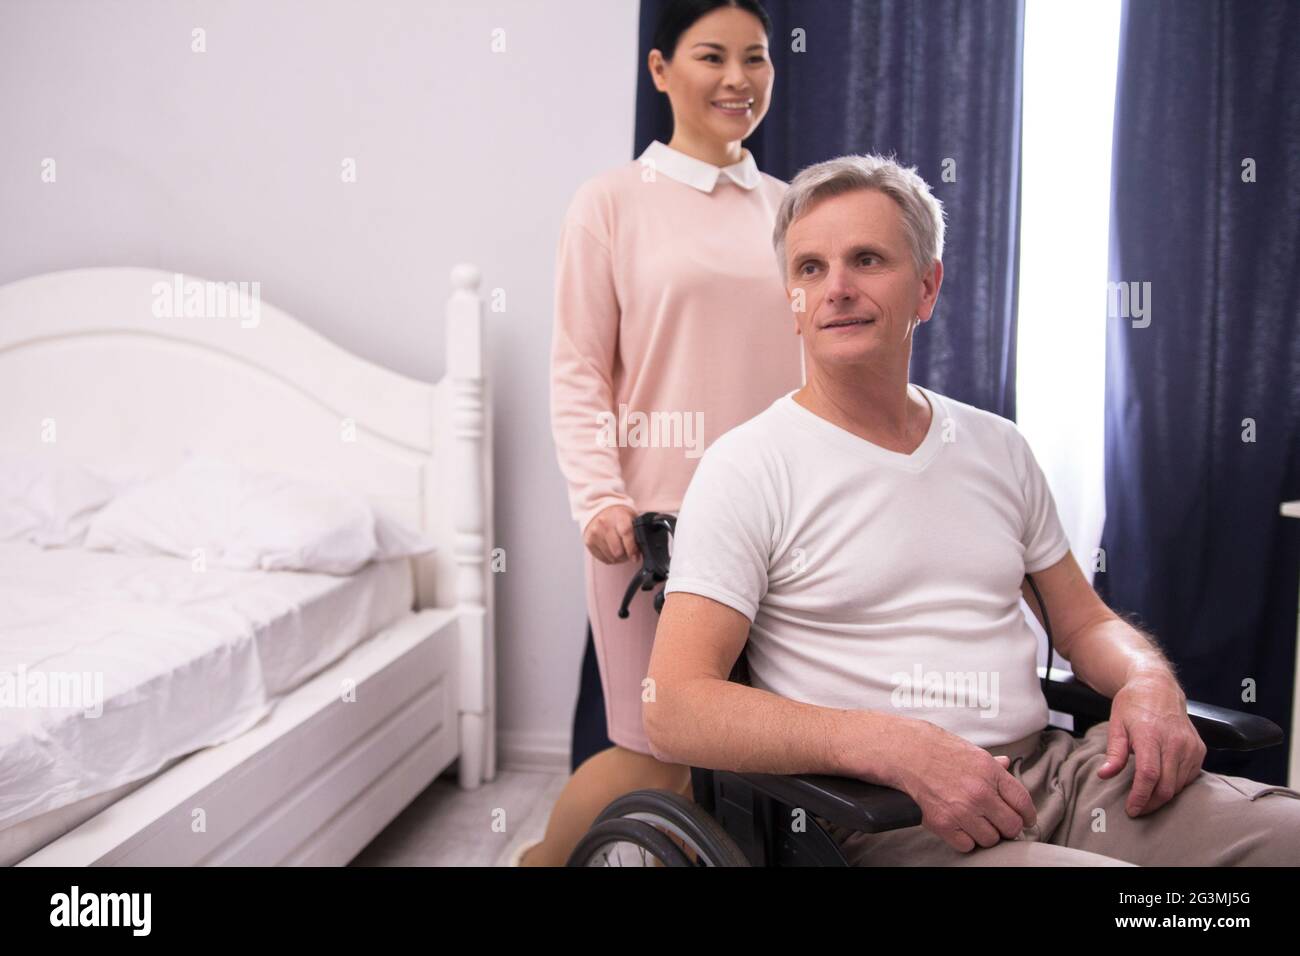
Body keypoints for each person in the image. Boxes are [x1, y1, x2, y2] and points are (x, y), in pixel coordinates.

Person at [645, 153, 1300, 865]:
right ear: (792, 303)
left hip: (1060, 779)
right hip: (889, 816)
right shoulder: (748, 466)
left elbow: (1083, 622)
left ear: (927, 287)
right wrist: (889, 744)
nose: (836, 289)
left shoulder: (997, 448)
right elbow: (675, 704)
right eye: (810, 268)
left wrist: (1147, 682)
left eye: (867, 260)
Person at [522, 0, 803, 866]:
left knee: (762, 750)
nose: (736, 79)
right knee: (659, 749)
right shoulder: (610, 203)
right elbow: (578, 369)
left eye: (754, 58)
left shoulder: (794, 208)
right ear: (659, 71)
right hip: (658, 530)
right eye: (711, 56)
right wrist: (599, 497)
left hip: (784, 522)